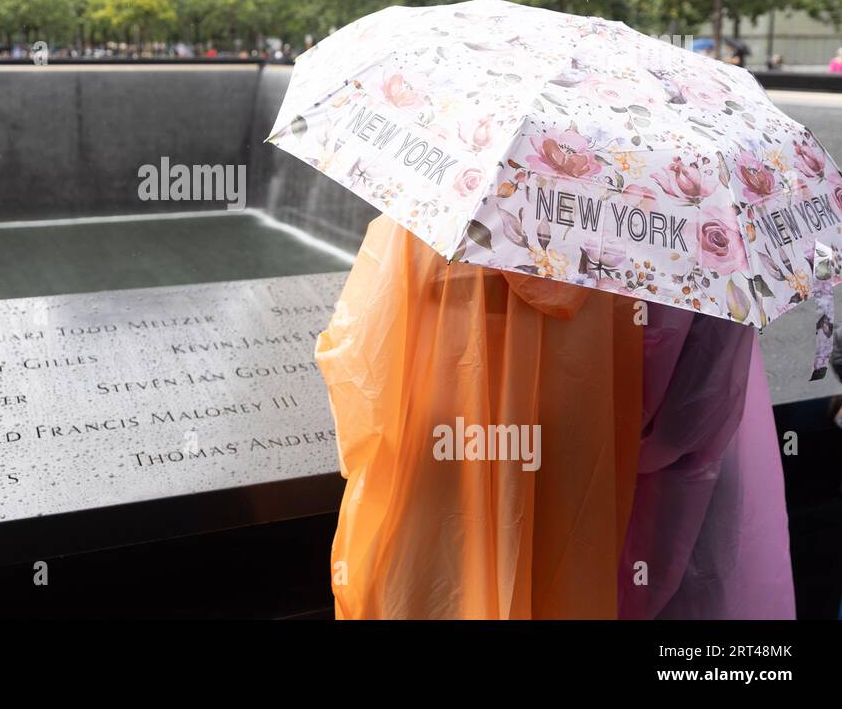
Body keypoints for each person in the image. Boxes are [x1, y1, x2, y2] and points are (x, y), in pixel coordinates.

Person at [316, 215, 795, 619]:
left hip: (438, 499)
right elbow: (695, 417)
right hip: (609, 523)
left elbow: (358, 367)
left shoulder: (428, 207)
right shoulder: (687, 218)